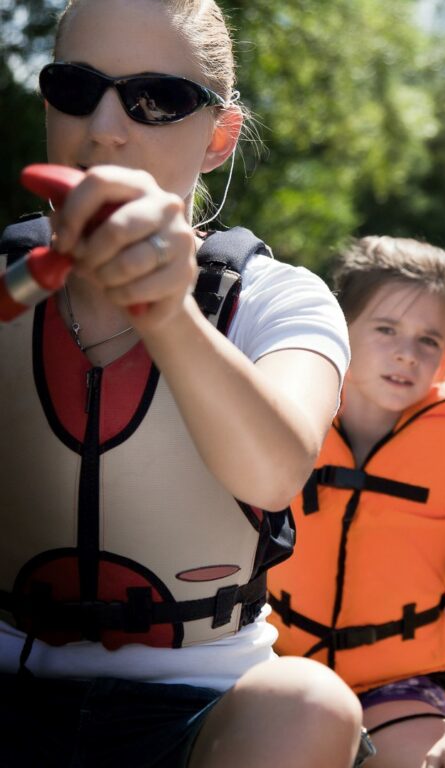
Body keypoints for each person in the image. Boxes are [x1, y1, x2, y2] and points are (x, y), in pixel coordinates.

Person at [0, 1, 365, 766]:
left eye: (156, 99)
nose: (104, 126)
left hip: (204, 709)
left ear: (218, 137)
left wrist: (169, 311)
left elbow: (274, 471)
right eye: (75, 87)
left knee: (311, 701)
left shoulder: (281, 300)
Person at [267, 236, 445, 768]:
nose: (407, 353)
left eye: (429, 340)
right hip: (279, 667)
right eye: (385, 330)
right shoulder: (284, 418)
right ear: (339, 329)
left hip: (395, 689)